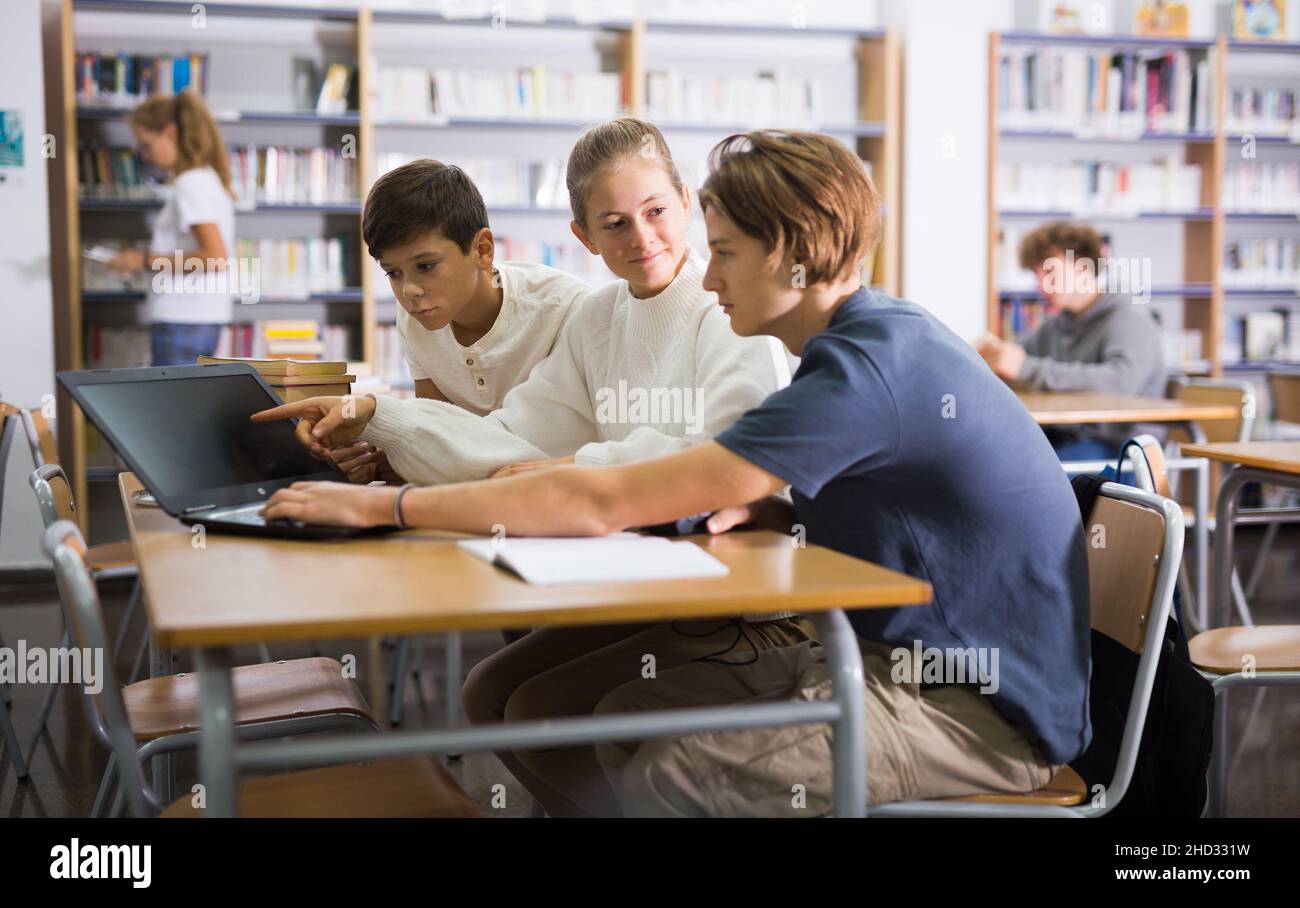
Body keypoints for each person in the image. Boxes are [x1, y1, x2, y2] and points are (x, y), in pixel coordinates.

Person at [259, 129, 1092, 817]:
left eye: (723, 252)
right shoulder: (857, 348)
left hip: (981, 714)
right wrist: (775, 513)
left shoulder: (867, 368)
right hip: (882, 658)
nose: (709, 273)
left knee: (671, 775)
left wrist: (386, 508)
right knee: (600, 715)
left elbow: (604, 497)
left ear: (793, 255)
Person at [253, 118, 801, 817]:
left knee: (540, 707)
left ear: (686, 203)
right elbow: (512, 440)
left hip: (721, 585)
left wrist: (578, 465)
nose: (641, 238)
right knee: (485, 693)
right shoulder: (597, 318)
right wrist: (376, 414)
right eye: (614, 224)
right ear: (584, 237)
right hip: (633, 569)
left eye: (656, 212)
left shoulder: (723, 307)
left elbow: (723, 452)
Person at [331, 159, 588, 484]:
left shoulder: (567, 309)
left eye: (425, 266)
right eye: (393, 273)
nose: (409, 290)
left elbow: (548, 447)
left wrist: (410, 440)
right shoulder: (416, 320)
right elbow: (438, 431)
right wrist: (380, 459)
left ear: (483, 249)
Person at [976, 221, 1166, 457]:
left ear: (1083, 268)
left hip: (1122, 449)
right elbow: (1015, 358)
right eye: (1037, 274)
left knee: (1028, 473)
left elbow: (1120, 382)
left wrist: (1025, 368)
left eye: (1050, 272)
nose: (1041, 284)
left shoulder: (1130, 318)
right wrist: (988, 357)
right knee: (990, 456)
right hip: (1070, 436)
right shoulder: (1057, 324)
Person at [111, 90, 237, 366]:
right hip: (197, 318)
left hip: (183, 321)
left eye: (146, 144)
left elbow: (215, 257)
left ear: (170, 133)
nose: (144, 155)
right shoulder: (206, 178)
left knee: (171, 407)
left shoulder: (190, 184)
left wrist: (143, 259)